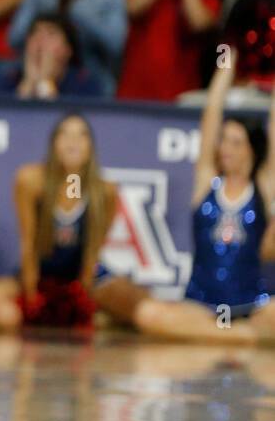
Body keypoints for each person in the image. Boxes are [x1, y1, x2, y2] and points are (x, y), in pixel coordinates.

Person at [96, 58, 274, 343]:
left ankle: (229, 335)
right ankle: (239, 338)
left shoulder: (263, 186)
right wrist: (226, 67)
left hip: (250, 304)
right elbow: (210, 118)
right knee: (152, 316)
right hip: (200, 305)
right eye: (224, 140)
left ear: (253, 150)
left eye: (236, 143)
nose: (226, 148)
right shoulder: (208, 182)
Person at [0, 114, 119, 331]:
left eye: (81, 135)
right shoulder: (31, 180)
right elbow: (29, 244)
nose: (73, 142)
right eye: (65, 134)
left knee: (127, 301)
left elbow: (93, 251)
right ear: (54, 143)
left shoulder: (105, 190)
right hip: (40, 273)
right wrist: (32, 298)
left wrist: (82, 299)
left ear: (91, 146)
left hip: (82, 276)